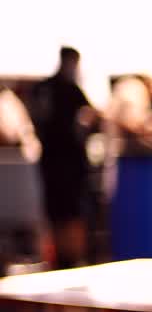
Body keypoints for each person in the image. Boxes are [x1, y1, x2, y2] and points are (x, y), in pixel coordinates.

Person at [29, 47, 97, 268]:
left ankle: (61, 259)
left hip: (50, 162)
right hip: (67, 163)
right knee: (70, 213)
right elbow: (92, 116)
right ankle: (69, 260)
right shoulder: (68, 89)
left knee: (56, 212)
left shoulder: (43, 88)